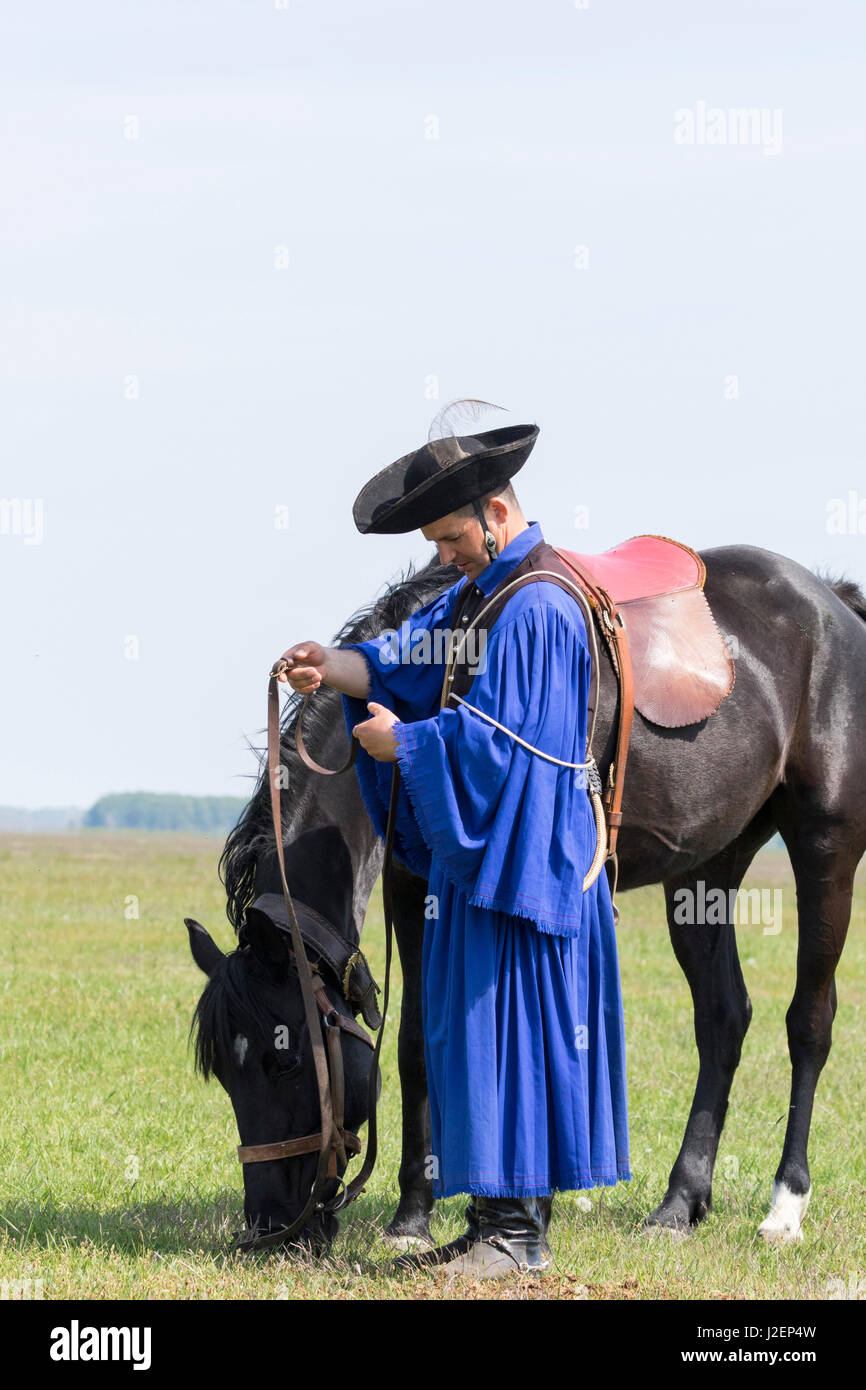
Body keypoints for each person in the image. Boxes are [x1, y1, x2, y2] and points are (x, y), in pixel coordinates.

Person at [277, 419, 630, 1277]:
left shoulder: (538, 607)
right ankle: (499, 1227)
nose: (443, 556)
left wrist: (414, 748)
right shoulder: (481, 593)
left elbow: (510, 752)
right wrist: (335, 664)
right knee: (481, 1039)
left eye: (450, 537)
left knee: (503, 1034)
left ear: (497, 510)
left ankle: (514, 1239)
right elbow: (404, 659)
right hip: (496, 862)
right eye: (434, 542)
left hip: (525, 867)